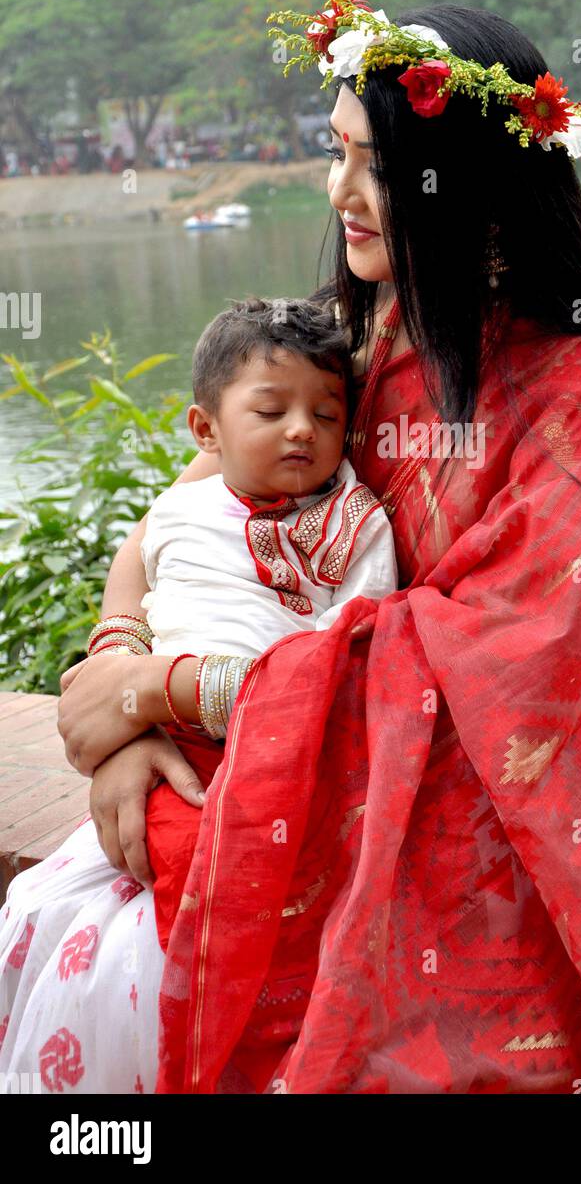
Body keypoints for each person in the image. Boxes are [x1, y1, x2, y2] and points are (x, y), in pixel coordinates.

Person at [3, 0, 581, 1095]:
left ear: (468, 180)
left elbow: (489, 692)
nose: (340, 192)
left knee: (131, 971)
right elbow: (181, 519)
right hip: (274, 764)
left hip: (470, 830)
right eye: (337, 153)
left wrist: (161, 691)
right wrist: (116, 670)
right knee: (52, 925)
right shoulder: (352, 338)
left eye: (376, 166)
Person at [0, 295, 397, 1093]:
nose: (303, 430)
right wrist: (122, 691)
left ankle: (229, 1001)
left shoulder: (353, 520)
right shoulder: (192, 505)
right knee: (99, 880)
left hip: (291, 741)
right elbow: (139, 571)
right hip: (174, 745)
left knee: (210, 872)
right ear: (205, 431)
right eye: (272, 413)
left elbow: (364, 640)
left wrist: (167, 694)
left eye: (328, 416)